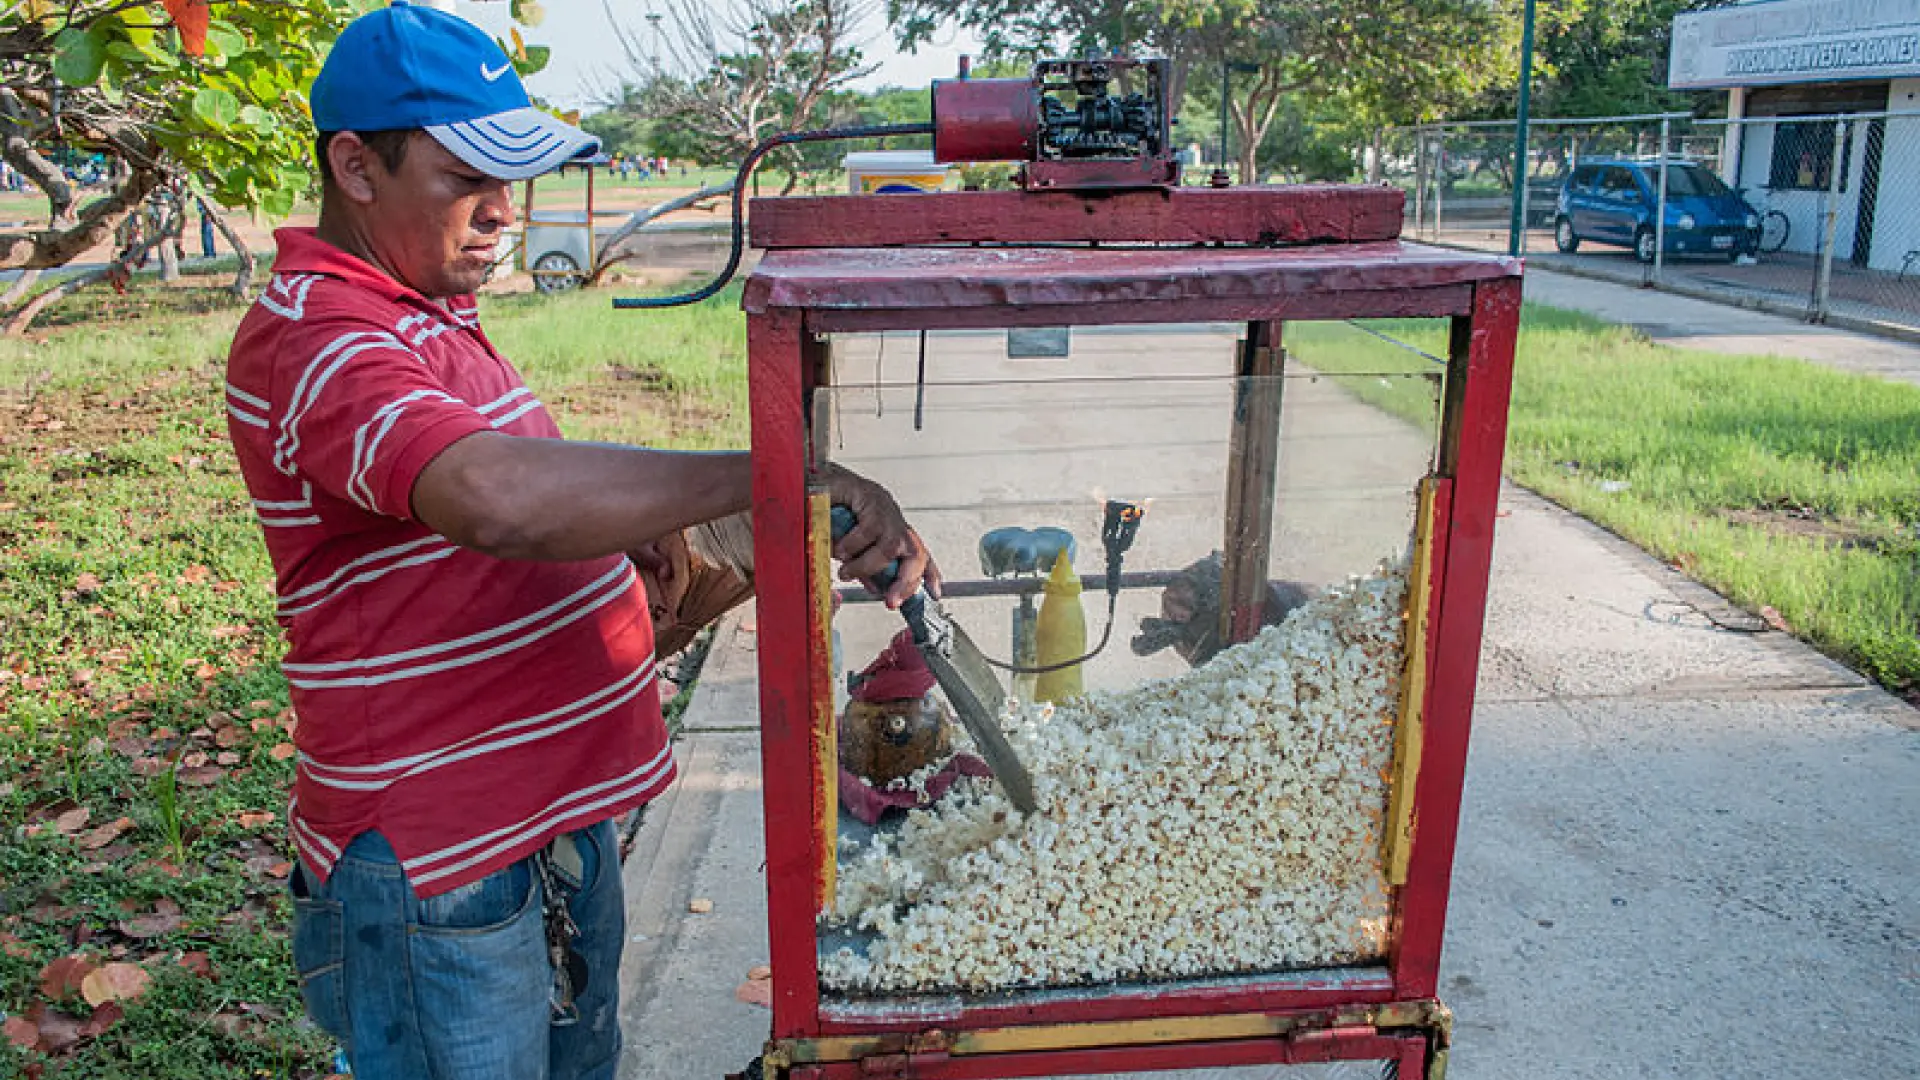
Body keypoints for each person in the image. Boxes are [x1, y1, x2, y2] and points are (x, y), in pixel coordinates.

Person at [221, 5, 936, 1079]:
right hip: (441, 874)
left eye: (514, 182)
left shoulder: (425, 313)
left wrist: (645, 543)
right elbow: (494, 496)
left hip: (549, 834)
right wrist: (771, 474)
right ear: (356, 167)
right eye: (468, 178)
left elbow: (513, 515)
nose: (503, 212)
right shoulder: (318, 337)